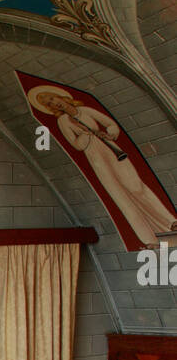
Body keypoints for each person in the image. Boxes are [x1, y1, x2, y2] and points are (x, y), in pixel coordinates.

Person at [34, 88, 177, 247]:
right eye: (49, 104)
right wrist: (86, 134)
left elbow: (110, 124)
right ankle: (148, 239)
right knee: (120, 197)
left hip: (110, 148)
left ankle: (170, 221)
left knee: (136, 186)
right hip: (95, 156)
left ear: (59, 96)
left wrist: (110, 134)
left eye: (52, 98)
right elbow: (76, 145)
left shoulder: (85, 110)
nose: (54, 103)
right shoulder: (63, 121)